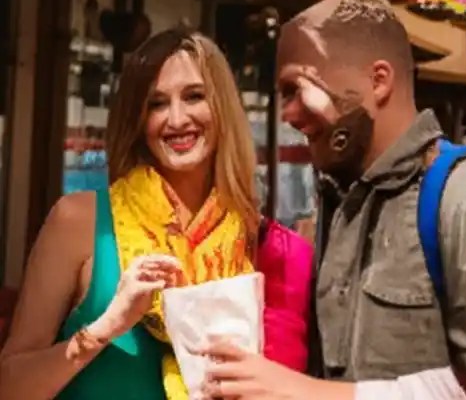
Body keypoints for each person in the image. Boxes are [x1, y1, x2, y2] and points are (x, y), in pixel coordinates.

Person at [204, 0, 466, 399]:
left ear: (378, 81)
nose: (288, 114)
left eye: (297, 88)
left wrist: (308, 393)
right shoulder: (338, 202)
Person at [0, 29, 312, 400]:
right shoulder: (78, 222)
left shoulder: (260, 243)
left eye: (194, 96)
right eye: (156, 103)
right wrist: (104, 328)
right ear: (137, 121)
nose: (176, 119)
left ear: (223, 107)